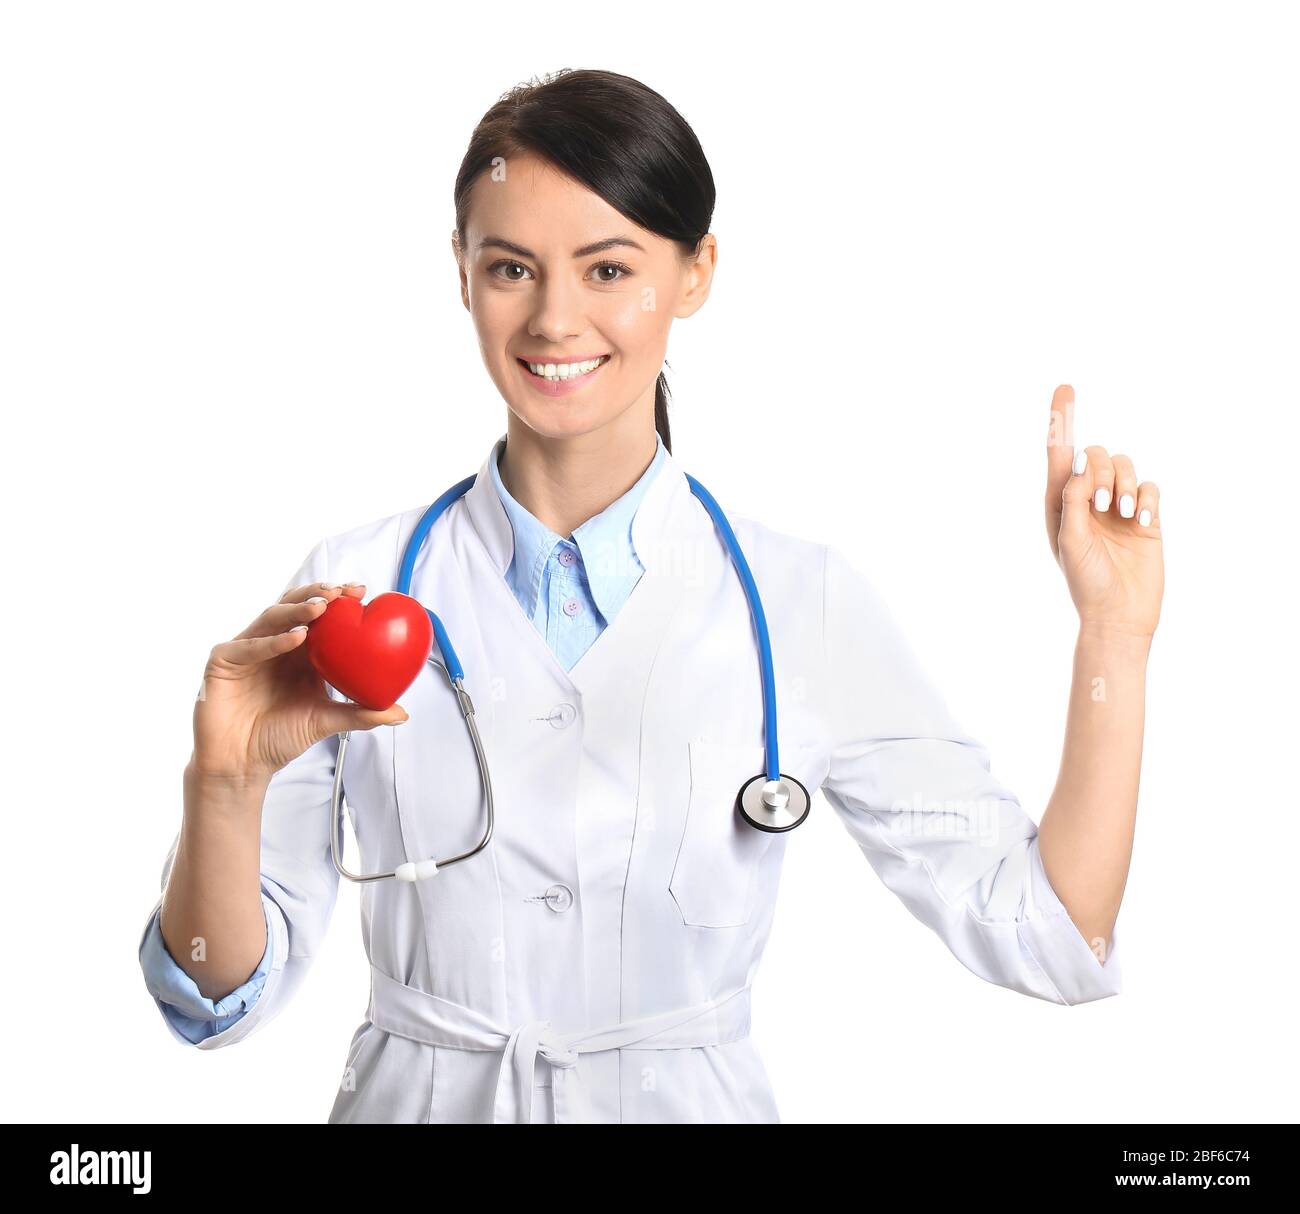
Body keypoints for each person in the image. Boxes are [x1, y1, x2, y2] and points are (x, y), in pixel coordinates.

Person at [139, 68, 1164, 1123]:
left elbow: (1051, 928)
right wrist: (222, 779)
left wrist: (1113, 642)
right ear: (460, 274)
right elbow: (212, 993)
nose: (552, 317)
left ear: (696, 271)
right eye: (509, 267)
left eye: (608, 267)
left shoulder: (799, 603)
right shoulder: (351, 590)